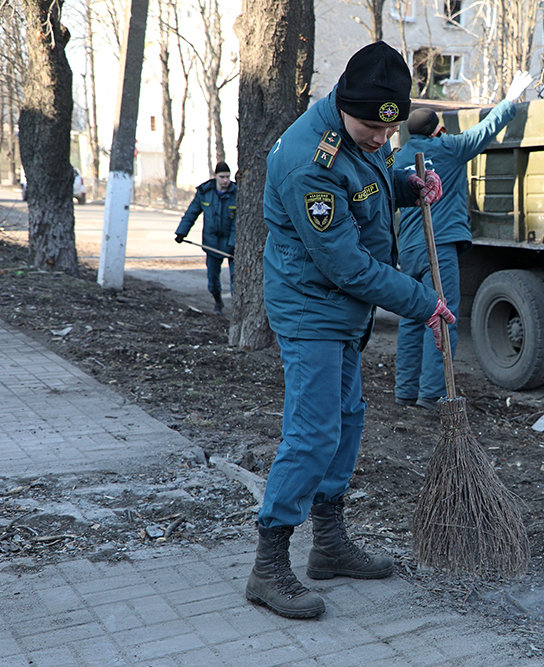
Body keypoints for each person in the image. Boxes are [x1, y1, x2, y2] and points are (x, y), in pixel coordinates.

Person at [245, 41, 453, 620]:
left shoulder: (363, 133)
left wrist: (410, 191)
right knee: (312, 434)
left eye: (389, 132)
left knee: (347, 422)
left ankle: (330, 544)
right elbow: (347, 265)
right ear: (344, 105)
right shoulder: (309, 161)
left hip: (343, 312)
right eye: (371, 129)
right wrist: (422, 302)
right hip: (312, 307)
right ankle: (268, 565)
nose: (381, 141)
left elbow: (370, 186)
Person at [393, 71, 534, 409]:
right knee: (442, 318)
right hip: (438, 247)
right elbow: (485, 130)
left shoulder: (397, 158)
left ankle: (405, 392)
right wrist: (511, 99)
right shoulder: (449, 149)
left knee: (413, 319)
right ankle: (433, 394)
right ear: (436, 129)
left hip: (409, 249)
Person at [174, 161, 236, 315]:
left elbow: (239, 223)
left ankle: (237, 309)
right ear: (215, 176)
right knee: (213, 279)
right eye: (222, 177)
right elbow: (192, 213)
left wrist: (233, 243)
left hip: (232, 244)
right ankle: (217, 301)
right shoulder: (205, 192)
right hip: (212, 243)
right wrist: (182, 232)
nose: (226, 180)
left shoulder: (237, 193)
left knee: (237, 281)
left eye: (228, 176)